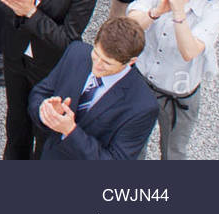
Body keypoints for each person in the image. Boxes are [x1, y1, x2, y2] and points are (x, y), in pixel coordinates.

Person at [0, 0, 100, 158]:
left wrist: (31, 13)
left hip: (50, 67)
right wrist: (14, 6)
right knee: (15, 120)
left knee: (43, 129)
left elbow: (67, 39)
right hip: (16, 53)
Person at [127, 0, 219, 158]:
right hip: (140, 80)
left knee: (173, 153)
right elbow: (130, 27)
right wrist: (157, 11)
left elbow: (189, 51)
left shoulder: (215, 7)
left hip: (178, 93)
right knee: (132, 146)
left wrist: (178, 11)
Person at [28, 18, 158, 159]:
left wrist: (70, 131)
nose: (97, 65)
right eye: (96, 54)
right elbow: (40, 92)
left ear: (131, 61)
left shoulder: (143, 106)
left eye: (107, 63)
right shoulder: (77, 52)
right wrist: (46, 112)